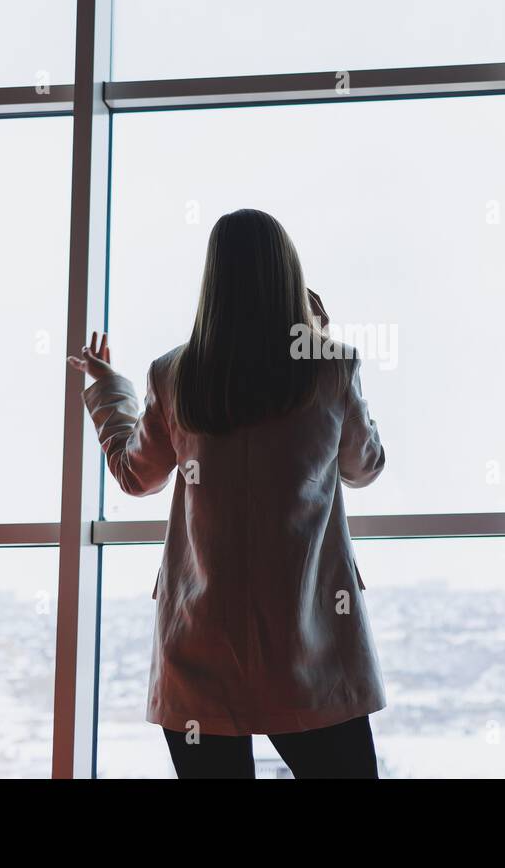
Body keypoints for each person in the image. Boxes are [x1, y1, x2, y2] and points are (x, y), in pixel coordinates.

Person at [67, 208, 386, 779]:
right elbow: (363, 468)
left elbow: (135, 475)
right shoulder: (331, 369)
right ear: (290, 275)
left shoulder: (174, 375)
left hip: (200, 642)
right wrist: (320, 341)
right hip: (309, 641)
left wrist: (110, 392)